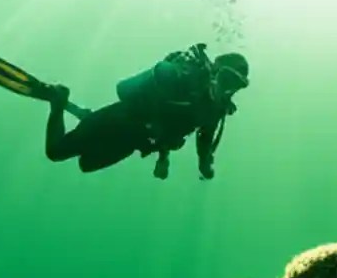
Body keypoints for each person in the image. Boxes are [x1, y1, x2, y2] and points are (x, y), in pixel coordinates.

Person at [43, 44, 249, 180]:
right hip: (121, 119)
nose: (228, 89)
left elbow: (192, 141)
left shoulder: (213, 112)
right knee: (56, 152)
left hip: (133, 141)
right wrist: (165, 156)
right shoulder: (190, 77)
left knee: (86, 164)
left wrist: (199, 165)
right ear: (215, 69)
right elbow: (159, 101)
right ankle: (58, 100)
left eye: (236, 85)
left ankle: (87, 116)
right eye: (227, 79)